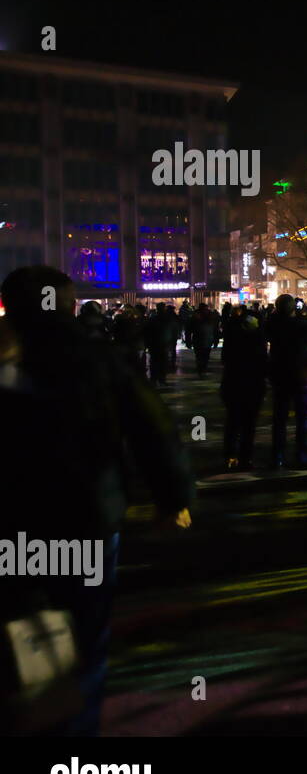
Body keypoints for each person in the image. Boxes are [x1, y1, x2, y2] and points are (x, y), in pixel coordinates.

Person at [0, 266, 192, 736]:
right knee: (85, 633)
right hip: (85, 518)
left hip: (12, 525)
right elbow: (153, 429)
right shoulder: (97, 358)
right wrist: (173, 498)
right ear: (68, 305)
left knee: (14, 623)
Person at [265, 293, 307, 468]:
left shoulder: (272, 324)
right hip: (301, 373)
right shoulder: (302, 325)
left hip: (279, 373)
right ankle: (302, 454)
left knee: (280, 417)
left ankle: (277, 455)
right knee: (303, 417)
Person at [219, 307, 267, 470]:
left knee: (233, 422)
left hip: (233, 384)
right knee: (248, 425)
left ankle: (230, 456)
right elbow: (264, 363)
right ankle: (245, 458)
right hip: (252, 386)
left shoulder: (233, 338)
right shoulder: (258, 340)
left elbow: (225, 359)